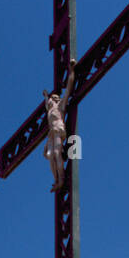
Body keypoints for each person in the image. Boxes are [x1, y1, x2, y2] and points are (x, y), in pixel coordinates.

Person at [43, 59, 76, 191]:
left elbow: (68, 87)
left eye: (53, 99)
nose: (51, 101)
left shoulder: (61, 106)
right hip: (52, 133)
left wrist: (71, 71)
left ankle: (61, 179)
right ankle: (56, 179)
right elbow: (46, 104)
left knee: (57, 152)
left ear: (57, 100)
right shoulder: (50, 109)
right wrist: (46, 95)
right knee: (50, 155)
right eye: (50, 100)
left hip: (58, 129)